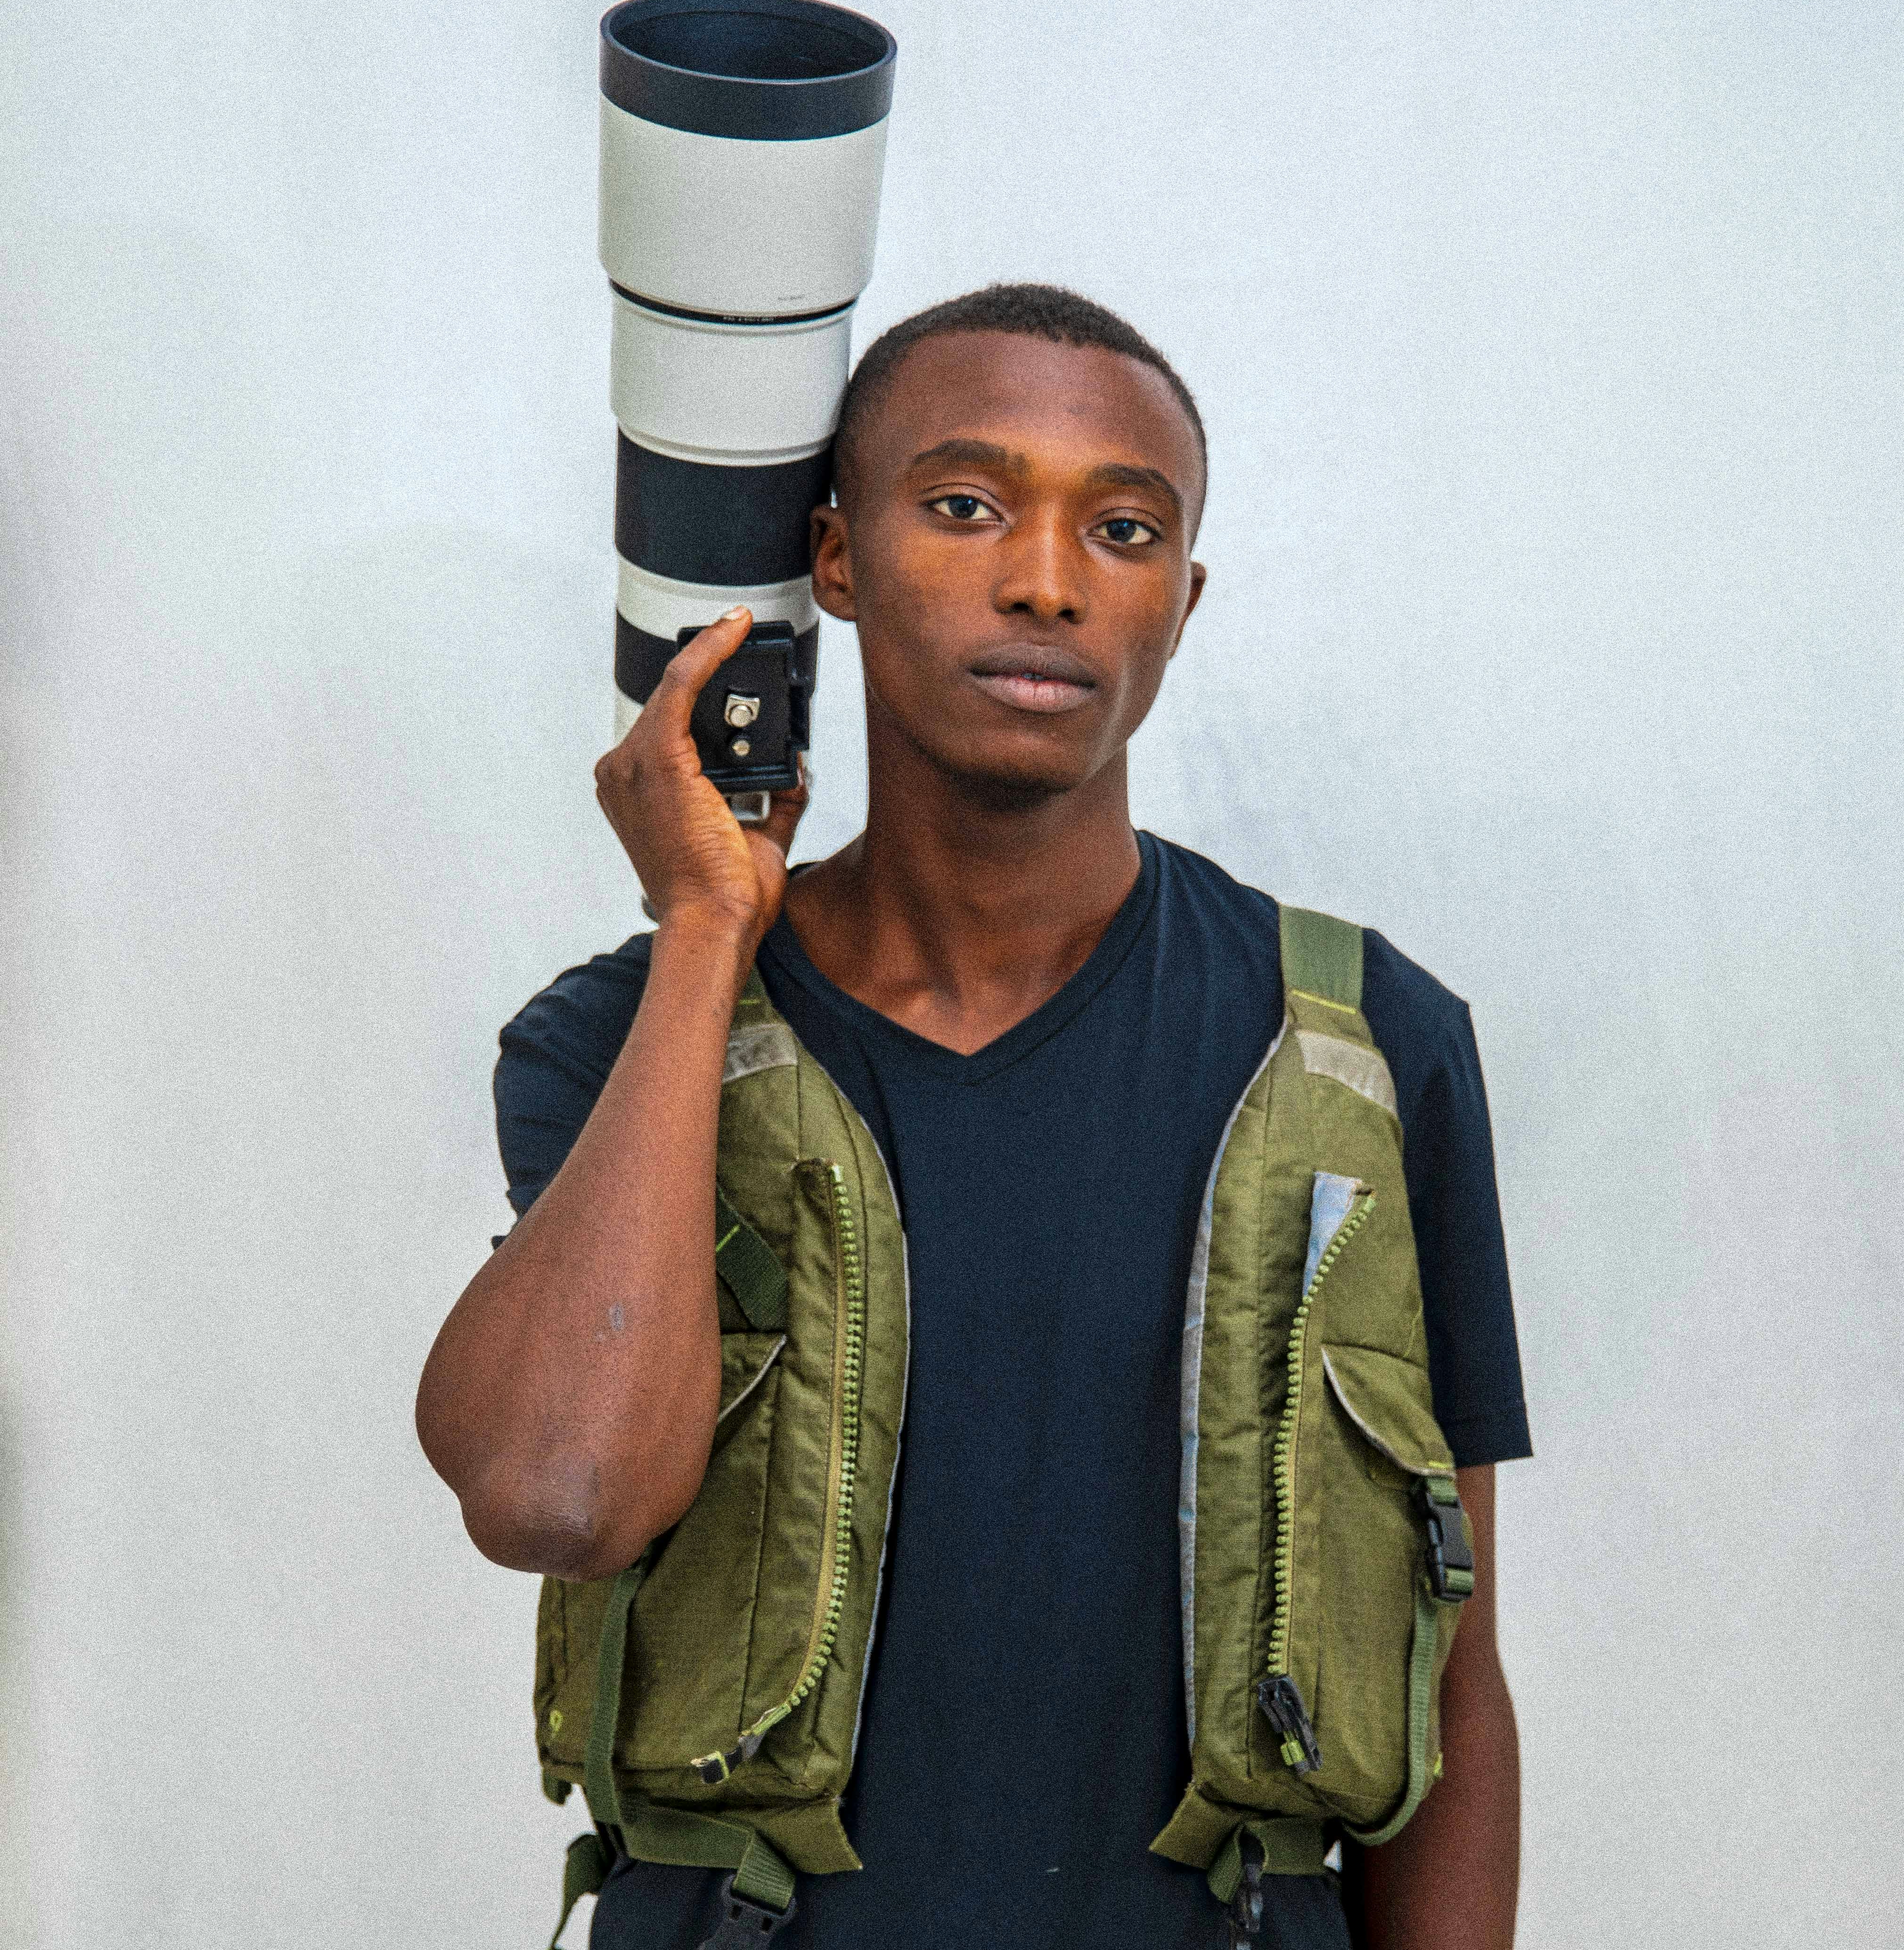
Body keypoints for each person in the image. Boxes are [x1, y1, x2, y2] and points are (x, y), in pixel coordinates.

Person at [416, 284, 1529, 1950]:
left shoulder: (1367, 1051)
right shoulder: (619, 1039)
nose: (1045, 578)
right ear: (838, 561)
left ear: (1182, 600)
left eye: (1126, 528)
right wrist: (706, 931)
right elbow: (556, 1493)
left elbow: (1454, 1679)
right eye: (963, 504)